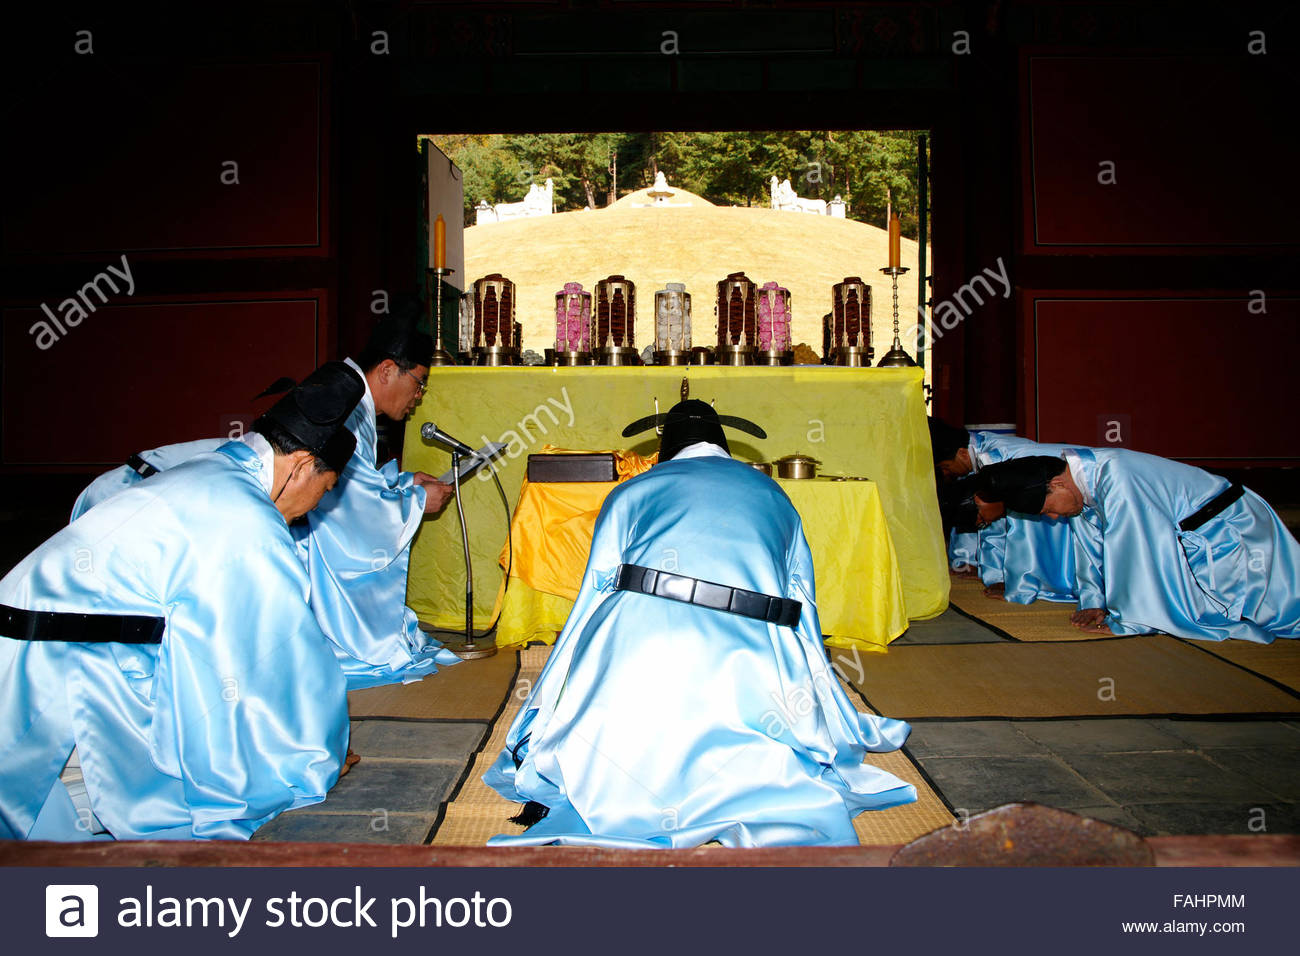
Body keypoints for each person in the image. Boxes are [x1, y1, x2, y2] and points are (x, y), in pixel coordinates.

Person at [483, 400, 917, 848]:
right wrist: (816, 691)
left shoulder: (632, 491)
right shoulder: (774, 494)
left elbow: (595, 592)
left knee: (610, 642)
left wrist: (552, 695)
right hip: (748, 660)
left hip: (640, 654)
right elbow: (801, 600)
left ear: (664, 448)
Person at [0, 363, 363, 841]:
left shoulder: (215, 467)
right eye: (327, 487)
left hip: (25, 616)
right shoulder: (249, 520)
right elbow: (287, 656)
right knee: (166, 793)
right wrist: (315, 752)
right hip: (64, 657)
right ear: (299, 467)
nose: (318, 503)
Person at [70, 295, 458, 690]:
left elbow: (344, 486)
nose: (420, 395)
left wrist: (399, 483)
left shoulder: (347, 394)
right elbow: (342, 509)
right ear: (389, 369)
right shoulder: (345, 405)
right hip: (140, 501)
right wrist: (414, 503)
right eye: (420, 382)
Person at [976, 449, 1300, 642]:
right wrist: (1094, 600)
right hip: (1199, 536)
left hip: (1231, 530)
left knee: (1273, 613)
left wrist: (1129, 620)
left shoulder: (1115, 477)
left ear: (1057, 484)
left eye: (1048, 509)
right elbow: (1091, 550)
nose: (1054, 517)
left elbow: (1135, 553)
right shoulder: (1084, 481)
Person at [928, 417, 1078, 604]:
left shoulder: (998, 460)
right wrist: (983, 568)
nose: (947, 474)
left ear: (962, 454)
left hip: (1070, 486)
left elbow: (1018, 534)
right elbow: (988, 520)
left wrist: (1015, 586)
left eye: (945, 467)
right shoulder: (983, 454)